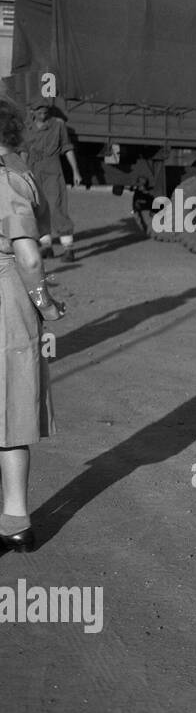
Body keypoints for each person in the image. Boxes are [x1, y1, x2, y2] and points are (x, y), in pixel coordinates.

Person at [0, 98, 63, 551]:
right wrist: (45, 302)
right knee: (12, 407)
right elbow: (27, 253)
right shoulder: (9, 178)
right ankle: (15, 522)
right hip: (6, 302)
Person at [23, 104, 81, 261]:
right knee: (38, 208)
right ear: (32, 112)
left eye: (45, 112)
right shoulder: (26, 128)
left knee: (57, 207)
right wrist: (22, 173)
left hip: (53, 170)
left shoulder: (58, 125)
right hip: (32, 170)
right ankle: (46, 246)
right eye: (39, 112)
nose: (43, 115)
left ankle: (68, 248)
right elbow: (23, 151)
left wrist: (75, 171)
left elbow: (67, 148)